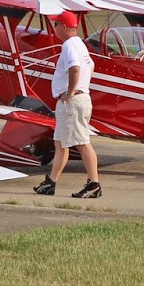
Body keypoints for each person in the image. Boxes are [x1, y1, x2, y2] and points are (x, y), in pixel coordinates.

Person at [32, 11, 102, 199]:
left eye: (56, 25)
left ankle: (94, 184)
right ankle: (50, 182)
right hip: (76, 100)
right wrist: (82, 86)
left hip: (71, 101)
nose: (54, 28)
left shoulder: (69, 45)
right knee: (61, 143)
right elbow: (91, 66)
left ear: (63, 27)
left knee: (81, 142)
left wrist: (71, 91)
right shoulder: (80, 44)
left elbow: (75, 68)